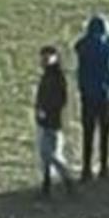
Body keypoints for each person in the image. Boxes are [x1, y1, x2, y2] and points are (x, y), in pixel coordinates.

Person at [74, 13, 109, 181]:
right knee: (105, 133)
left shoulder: (83, 46)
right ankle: (104, 167)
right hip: (106, 95)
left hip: (87, 95)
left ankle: (86, 169)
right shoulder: (108, 44)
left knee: (87, 133)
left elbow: (77, 46)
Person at [34, 45, 76, 198]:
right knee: (45, 154)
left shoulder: (57, 77)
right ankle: (47, 185)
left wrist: (46, 110)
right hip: (45, 120)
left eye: (48, 57)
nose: (44, 60)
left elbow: (60, 100)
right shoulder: (47, 76)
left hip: (54, 121)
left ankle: (68, 179)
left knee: (51, 154)